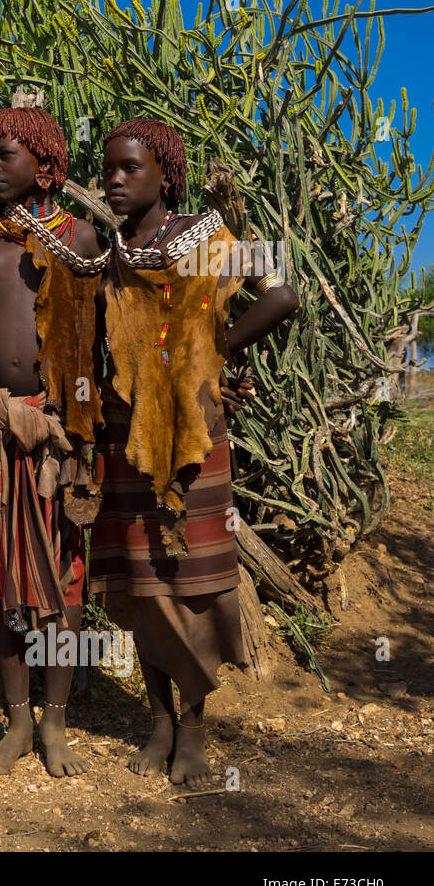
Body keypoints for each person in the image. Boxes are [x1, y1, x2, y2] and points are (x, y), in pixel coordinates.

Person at [93, 118, 300, 787]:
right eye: (109, 169)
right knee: (143, 578)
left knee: (196, 579)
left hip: (195, 432)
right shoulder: (114, 249)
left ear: (165, 173)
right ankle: (158, 720)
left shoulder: (207, 238)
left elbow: (283, 293)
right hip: (128, 431)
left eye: (130, 168)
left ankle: (195, 726)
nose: (115, 180)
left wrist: (215, 352)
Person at [0, 107, 107, 777]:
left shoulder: (83, 238)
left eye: (2, 154)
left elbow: (103, 340)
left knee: (67, 576)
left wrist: (85, 428)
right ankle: (16, 723)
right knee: (2, 573)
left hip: (59, 433)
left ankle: (57, 723)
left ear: (43, 162)